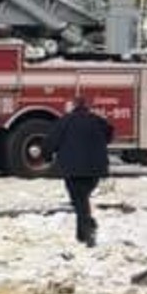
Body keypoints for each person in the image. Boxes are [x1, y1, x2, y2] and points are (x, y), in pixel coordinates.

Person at [45, 96, 113, 248]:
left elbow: (51, 141)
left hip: (72, 169)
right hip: (95, 169)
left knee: (78, 199)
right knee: (82, 198)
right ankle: (82, 233)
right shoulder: (97, 120)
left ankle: (88, 229)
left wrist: (46, 156)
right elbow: (109, 134)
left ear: (73, 106)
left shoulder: (65, 121)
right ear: (86, 106)